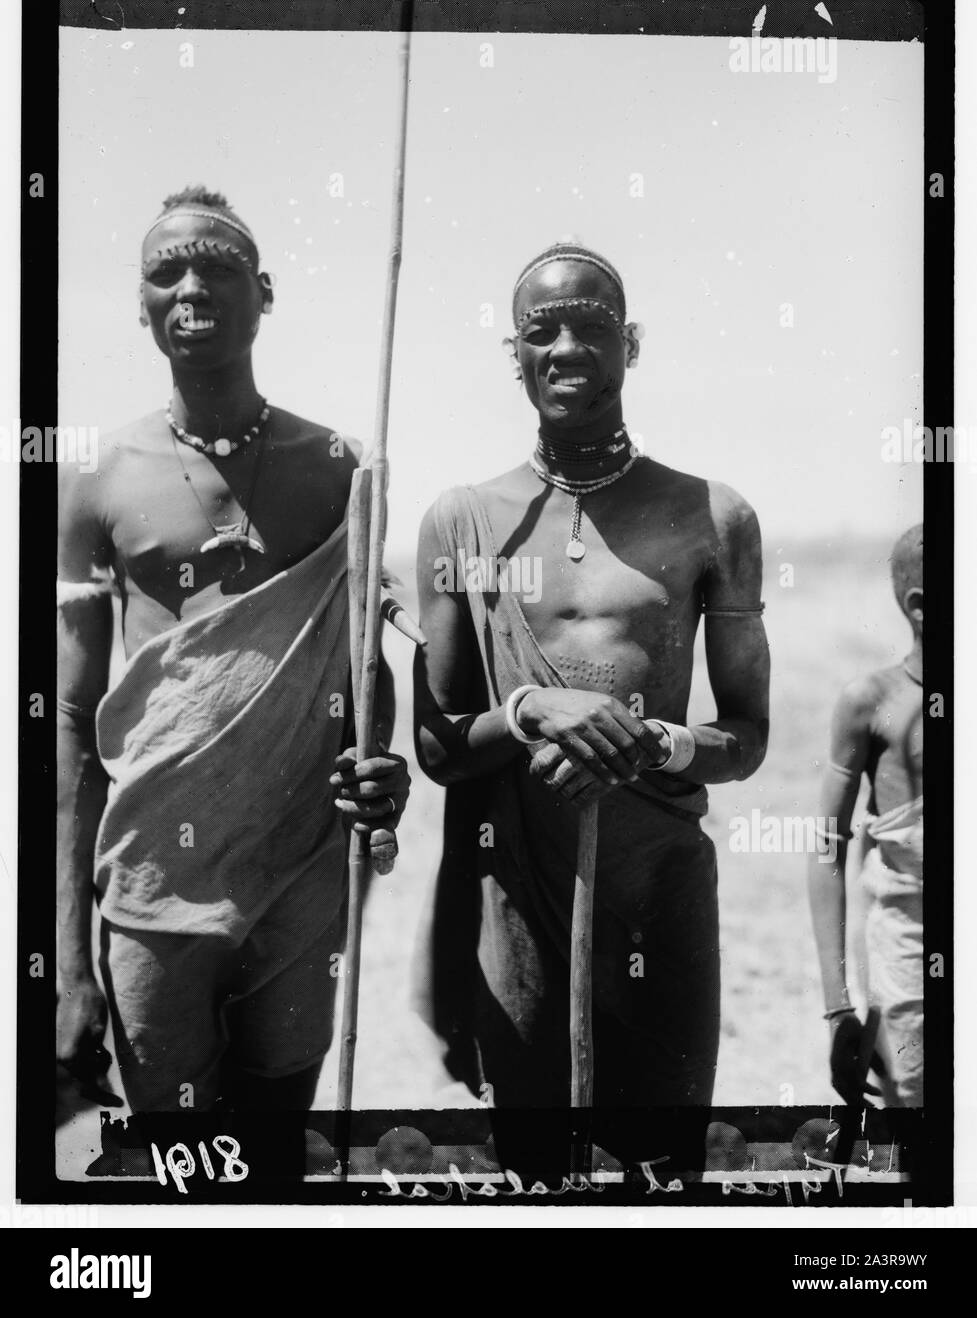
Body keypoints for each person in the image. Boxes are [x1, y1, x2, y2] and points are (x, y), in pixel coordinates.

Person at [57, 188, 411, 1163]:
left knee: (269, 1145)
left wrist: (382, 773)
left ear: (263, 294)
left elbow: (361, 670)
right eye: (164, 268)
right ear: (138, 304)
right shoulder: (96, 478)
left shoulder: (343, 467)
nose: (189, 283)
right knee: (173, 1152)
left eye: (215, 263)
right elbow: (72, 718)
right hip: (149, 876)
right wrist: (66, 958)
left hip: (299, 868)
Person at [412, 240, 769, 1174]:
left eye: (591, 326)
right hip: (518, 886)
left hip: (657, 881)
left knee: (662, 1164)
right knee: (535, 1164)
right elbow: (440, 746)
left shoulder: (711, 516)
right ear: (514, 354)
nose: (565, 347)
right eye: (541, 330)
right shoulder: (464, 519)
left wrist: (651, 741)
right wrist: (531, 707)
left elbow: (746, 736)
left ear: (631, 344)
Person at [808, 524, 923, 1109]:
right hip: (908, 961)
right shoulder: (871, 703)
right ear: (920, 607)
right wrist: (837, 1009)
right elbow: (826, 848)